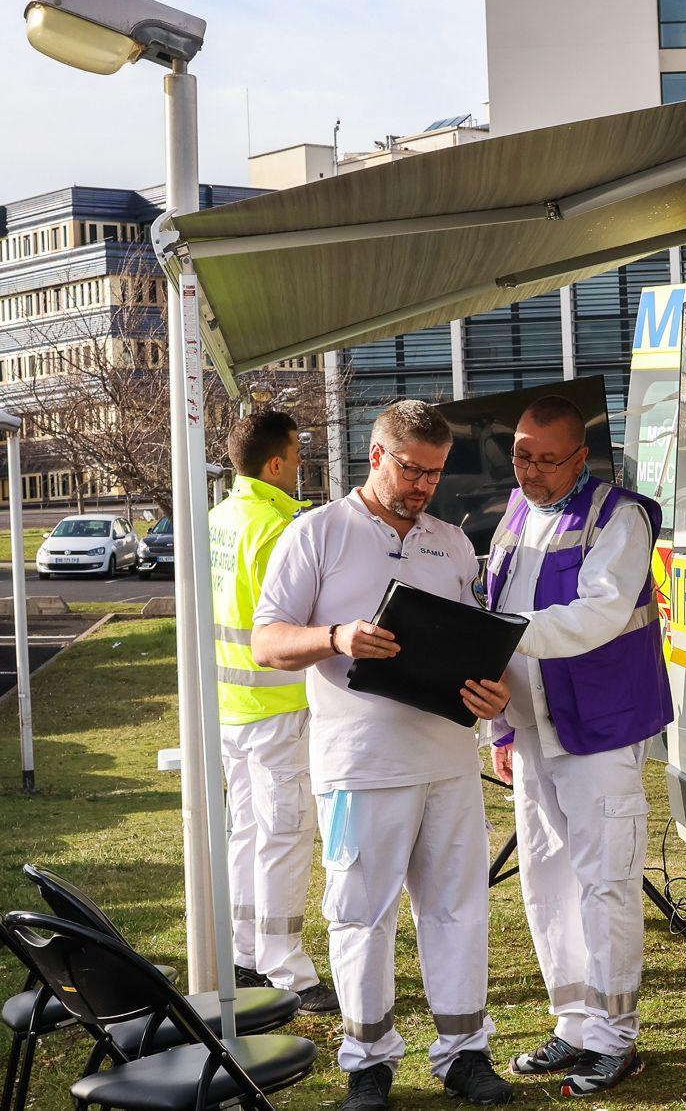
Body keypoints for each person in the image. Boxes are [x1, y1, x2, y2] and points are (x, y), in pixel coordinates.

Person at [251, 400, 514, 1111]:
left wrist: (490, 696)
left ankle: (464, 1053)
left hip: (448, 762)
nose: (425, 485)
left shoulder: (452, 544)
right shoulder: (318, 533)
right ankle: (368, 1063)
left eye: (435, 472)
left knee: (459, 909)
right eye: (412, 470)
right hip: (359, 767)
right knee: (360, 915)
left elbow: (473, 641)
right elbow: (267, 642)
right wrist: (336, 637)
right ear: (375, 456)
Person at [483, 395, 670, 1098]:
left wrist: (499, 637)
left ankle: (615, 1039)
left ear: (581, 457)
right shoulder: (518, 509)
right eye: (521, 454)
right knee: (547, 882)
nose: (530, 469)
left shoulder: (619, 516)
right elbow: (490, 596)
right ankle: (575, 1024)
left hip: (598, 728)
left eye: (546, 458)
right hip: (532, 731)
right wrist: (499, 727)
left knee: (606, 882)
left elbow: (597, 614)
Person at [207, 410, 336, 1013]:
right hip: (279, 704)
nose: (303, 465)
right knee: (285, 836)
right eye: (298, 454)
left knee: (249, 833)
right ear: (276, 463)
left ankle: (245, 952)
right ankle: (286, 969)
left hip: (231, 707)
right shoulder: (282, 526)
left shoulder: (218, 520)